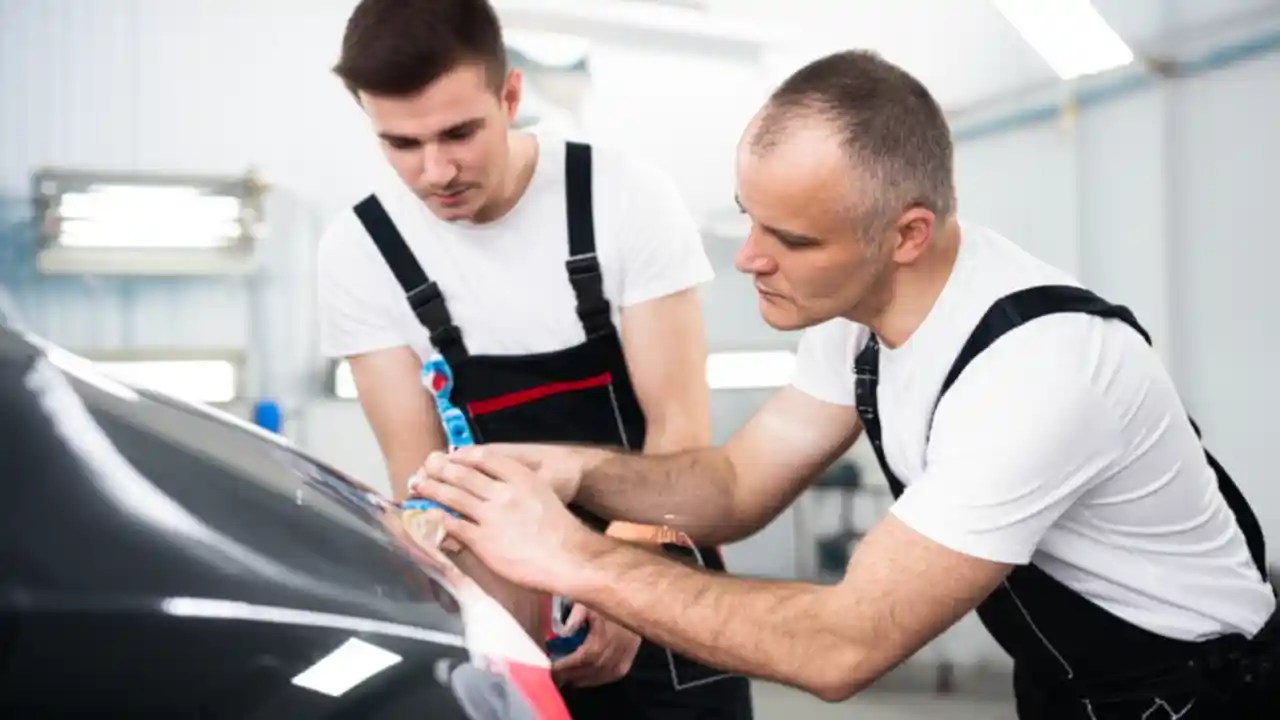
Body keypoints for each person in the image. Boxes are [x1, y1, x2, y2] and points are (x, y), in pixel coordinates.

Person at [411, 49, 1280, 718]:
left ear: (906, 234)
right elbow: (734, 488)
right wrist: (574, 470)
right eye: (749, 220)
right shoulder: (859, 317)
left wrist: (572, 556)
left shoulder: (1038, 371)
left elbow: (842, 646)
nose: (749, 258)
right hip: (1069, 689)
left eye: (791, 239)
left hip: (1207, 696)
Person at [314, 1, 753, 718]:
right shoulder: (360, 252)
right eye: (401, 143)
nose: (436, 171)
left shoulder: (622, 196)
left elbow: (680, 435)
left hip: (664, 586)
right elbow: (422, 478)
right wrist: (495, 624)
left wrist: (623, 586)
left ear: (511, 95)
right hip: (506, 614)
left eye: (460, 133)